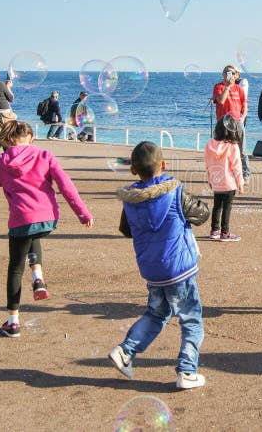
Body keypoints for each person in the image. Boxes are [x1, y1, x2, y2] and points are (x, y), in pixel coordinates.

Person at [0, 121, 93, 337]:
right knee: (34, 234)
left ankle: (13, 322)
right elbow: (66, 186)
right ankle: (38, 279)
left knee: (15, 268)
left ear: (6, 141)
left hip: (21, 220)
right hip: (47, 219)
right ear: (31, 138)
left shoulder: (1, 162)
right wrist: (83, 213)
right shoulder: (45, 156)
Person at [108, 141, 210, 390]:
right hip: (178, 269)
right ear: (163, 165)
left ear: (133, 170)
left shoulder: (130, 199)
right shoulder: (175, 191)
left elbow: (125, 230)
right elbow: (203, 213)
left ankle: (125, 351)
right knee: (191, 319)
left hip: (153, 269)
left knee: (157, 313)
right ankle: (187, 371)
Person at [204, 117, 244, 242]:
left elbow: (208, 164)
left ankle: (214, 230)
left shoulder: (209, 144)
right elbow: (237, 167)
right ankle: (225, 232)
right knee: (227, 207)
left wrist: (210, 180)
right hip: (229, 183)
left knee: (217, 206)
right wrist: (240, 184)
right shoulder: (232, 146)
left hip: (216, 181)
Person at [212, 65, 249, 180]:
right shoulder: (218, 87)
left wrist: (242, 119)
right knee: (221, 149)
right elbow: (221, 101)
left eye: (232, 73)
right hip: (222, 124)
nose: (230, 75)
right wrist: (227, 87)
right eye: (227, 72)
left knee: (241, 149)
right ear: (223, 74)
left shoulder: (238, 88)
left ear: (235, 75)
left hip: (237, 122)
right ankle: (223, 173)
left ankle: (245, 174)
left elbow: (244, 104)